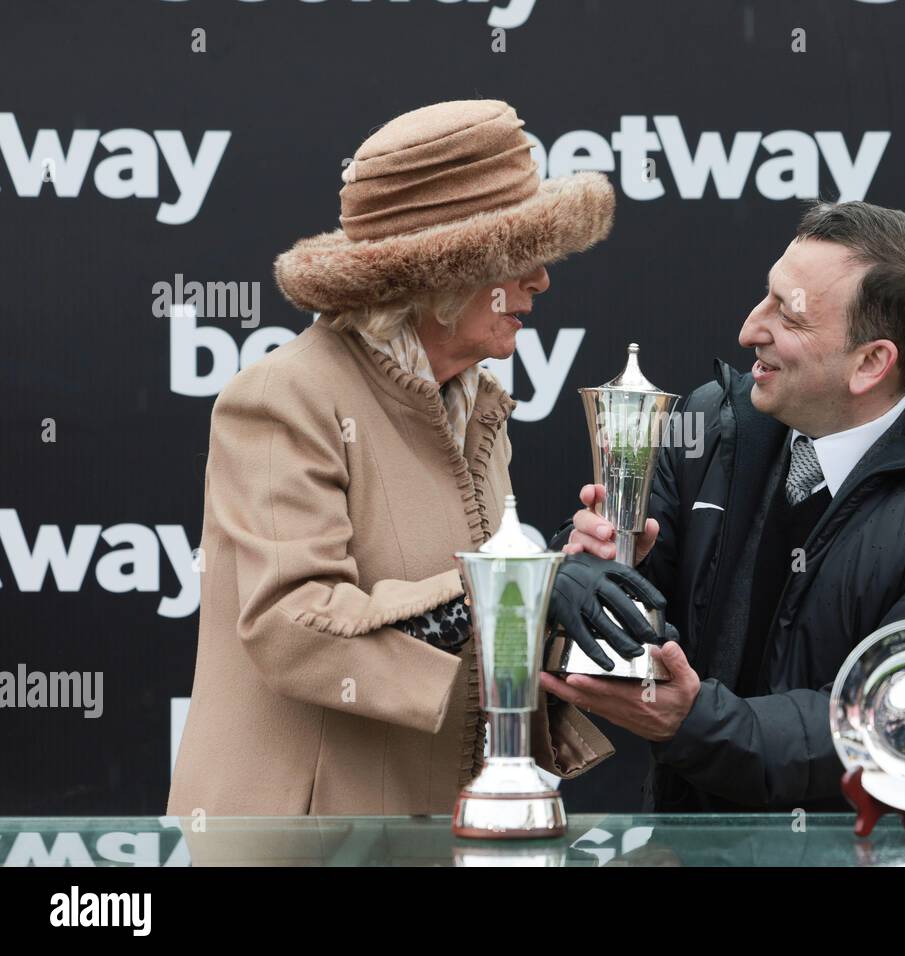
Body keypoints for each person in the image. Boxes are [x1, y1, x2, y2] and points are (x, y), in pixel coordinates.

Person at [167, 99, 661, 816]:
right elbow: (294, 628)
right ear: (448, 275)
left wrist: (570, 573)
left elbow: (462, 631)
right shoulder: (282, 397)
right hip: (304, 850)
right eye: (521, 255)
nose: (542, 282)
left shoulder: (473, 404)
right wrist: (528, 583)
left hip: (431, 832)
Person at [544, 201, 905, 811]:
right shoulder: (712, 423)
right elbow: (632, 594)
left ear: (871, 363)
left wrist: (694, 721)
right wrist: (586, 574)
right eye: (767, 296)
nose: (749, 329)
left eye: (789, 315)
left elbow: (893, 723)